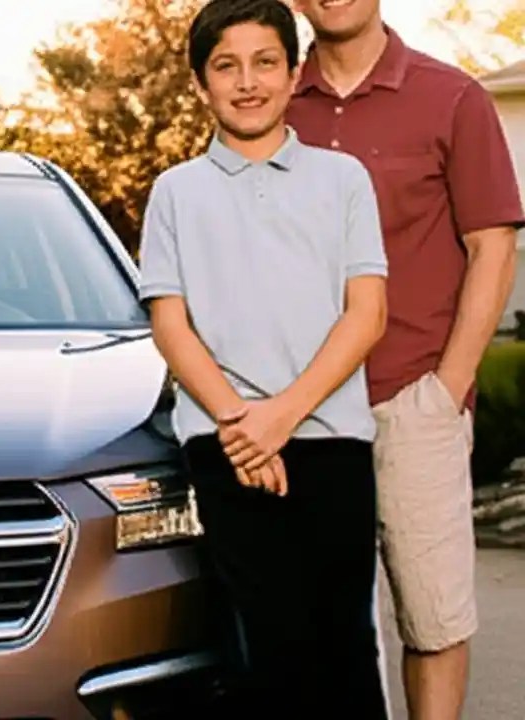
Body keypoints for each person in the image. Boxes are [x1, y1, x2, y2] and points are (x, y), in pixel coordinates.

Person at [138, 0, 391, 716]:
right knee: (268, 648)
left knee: (345, 643)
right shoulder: (176, 193)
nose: (247, 82)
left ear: (294, 71)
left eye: (264, 62)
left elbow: (366, 314)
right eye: (226, 66)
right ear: (200, 83)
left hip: (330, 439)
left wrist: (281, 416)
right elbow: (171, 324)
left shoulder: (342, 182)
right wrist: (240, 426)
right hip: (227, 445)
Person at [287, 3, 524, 718]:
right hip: (304, 415)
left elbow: (493, 247)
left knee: (433, 620)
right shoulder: (272, 102)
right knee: (322, 629)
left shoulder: (452, 97)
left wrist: (447, 386)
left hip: (411, 401)